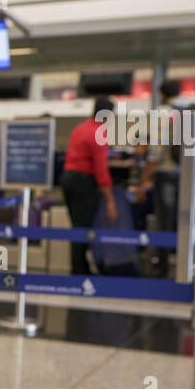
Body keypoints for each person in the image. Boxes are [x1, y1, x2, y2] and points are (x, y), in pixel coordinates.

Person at [61, 96, 118, 276]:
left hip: (68, 179)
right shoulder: (99, 133)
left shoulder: (80, 128)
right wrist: (110, 201)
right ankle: (78, 270)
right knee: (82, 227)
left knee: (77, 225)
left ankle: (80, 266)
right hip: (83, 182)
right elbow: (101, 171)